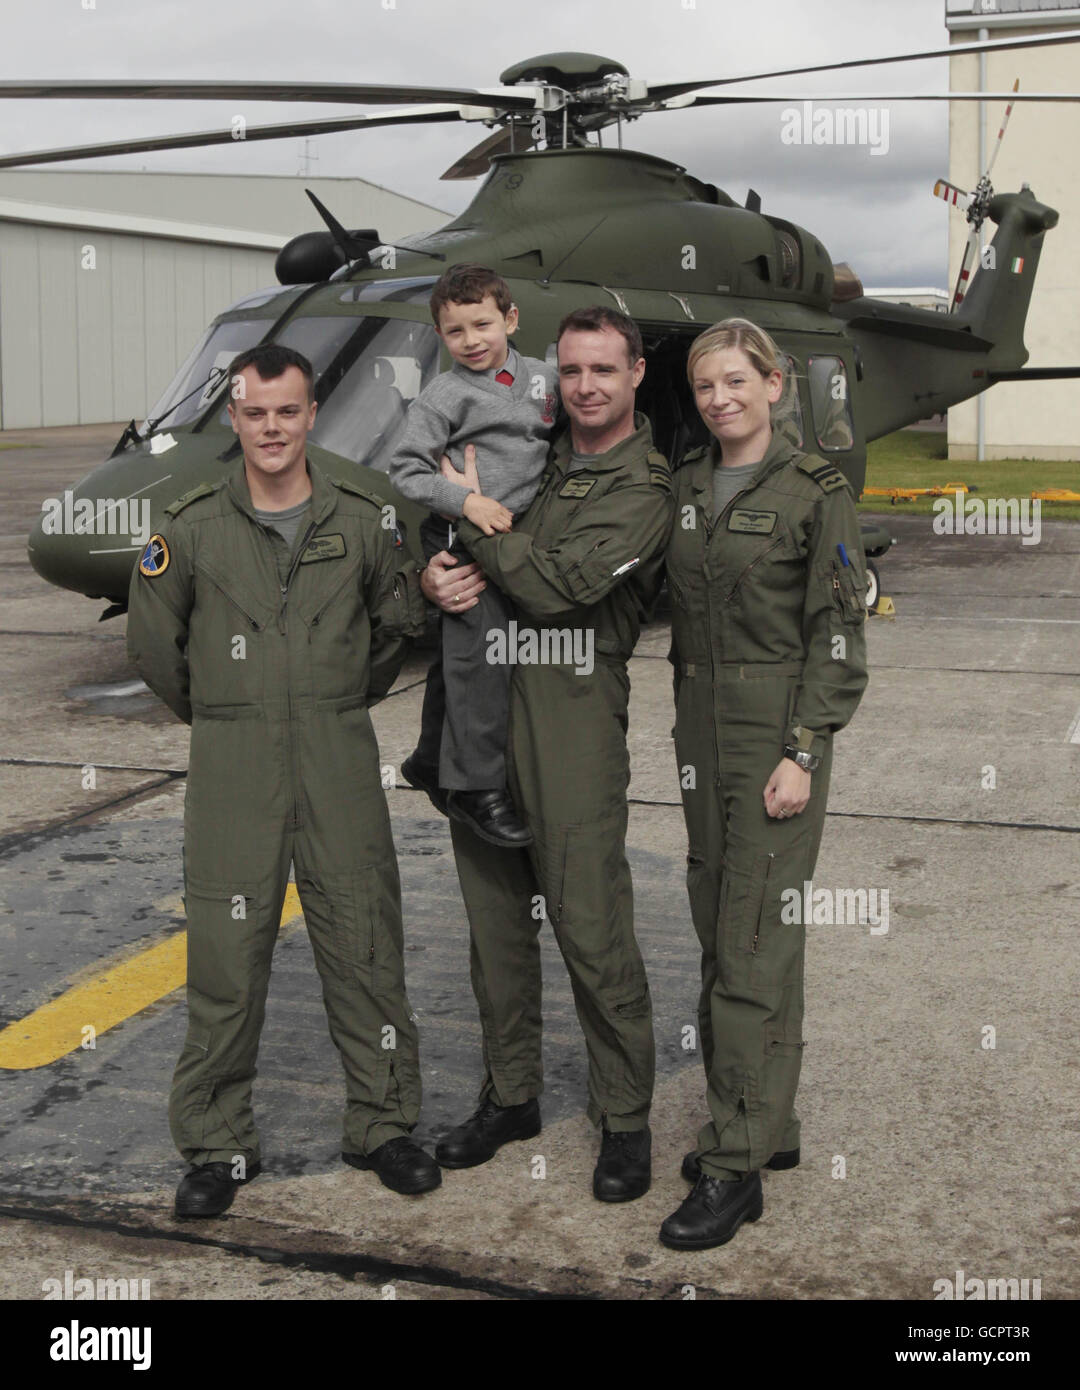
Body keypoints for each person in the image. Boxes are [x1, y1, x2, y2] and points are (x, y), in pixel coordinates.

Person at [126, 343, 438, 1218]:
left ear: (310, 416)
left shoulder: (362, 518)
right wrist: (234, 713)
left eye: (288, 411)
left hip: (338, 749)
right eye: (255, 413)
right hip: (233, 761)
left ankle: (384, 1124)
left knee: (365, 938)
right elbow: (156, 652)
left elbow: (390, 634)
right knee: (227, 956)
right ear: (235, 417)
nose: (271, 428)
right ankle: (218, 1144)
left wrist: (331, 700)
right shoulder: (185, 526)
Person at [420, 307, 674, 1202]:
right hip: (486, 720)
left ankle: (626, 1116)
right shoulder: (534, 452)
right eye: (570, 371)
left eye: (604, 369)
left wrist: (480, 525)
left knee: (592, 929)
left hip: (571, 719)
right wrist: (437, 570)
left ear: (637, 374)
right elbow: (443, 529)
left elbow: (562, 586)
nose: (586, 387)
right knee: (494, 931)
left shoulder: (647, 486)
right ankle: (511, 1094)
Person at [658, 318, 869, 1250]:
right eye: (706, 386)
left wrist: (806, 749)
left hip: (774, 738)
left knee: (750, 943)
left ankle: (735, 1164)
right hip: (700, 732)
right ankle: (769, 1124)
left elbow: (840, 636)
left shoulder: (815, 493)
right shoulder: (689, 485)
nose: (721, 399)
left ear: (775, 385)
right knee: (729, 928)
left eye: (737, 381)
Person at [388, 263, 558, 849]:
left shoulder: (545, 379)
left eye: (483, 324)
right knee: (482, 658)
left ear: (510, 319)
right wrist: (467, 500)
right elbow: (406, 469)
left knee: (460, 657)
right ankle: (476, 789)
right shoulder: (445, 395)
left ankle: (430, 758)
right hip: (461, 538)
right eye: (456, 332)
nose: (472, 341)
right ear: (441, 335)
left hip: (516, 541)